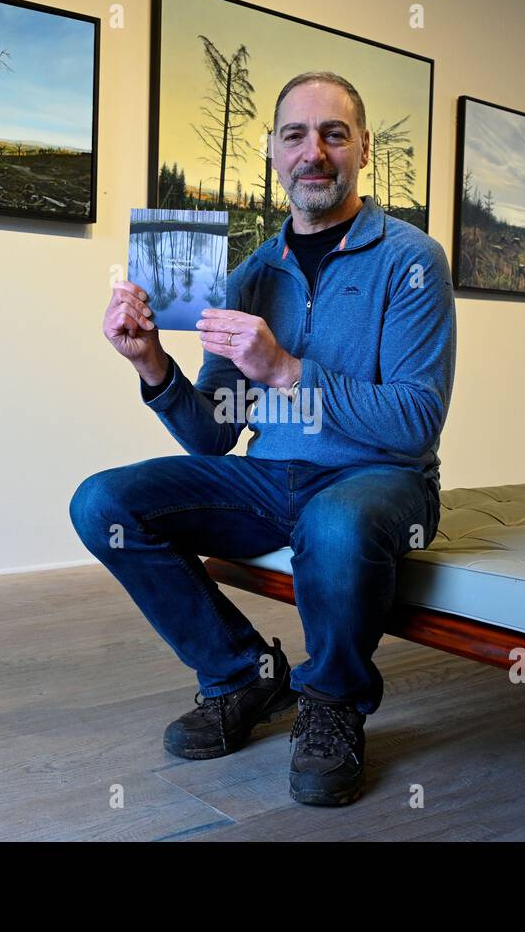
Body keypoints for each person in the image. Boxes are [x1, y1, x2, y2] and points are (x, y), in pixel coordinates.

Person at [70, 71, 456, 806]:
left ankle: (333, 702)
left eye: (333, 133)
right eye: (295, 134)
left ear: (363, 148)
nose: (314, 151)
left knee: (336, 521)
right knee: (103, 503)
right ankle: (243, 673)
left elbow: (415, 421)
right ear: (273, 153)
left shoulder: (411, 261)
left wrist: (284, 369)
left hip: (378, 480)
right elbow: (212, 435)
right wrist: (151, 361)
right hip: (267, 476)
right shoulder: (248, 275)